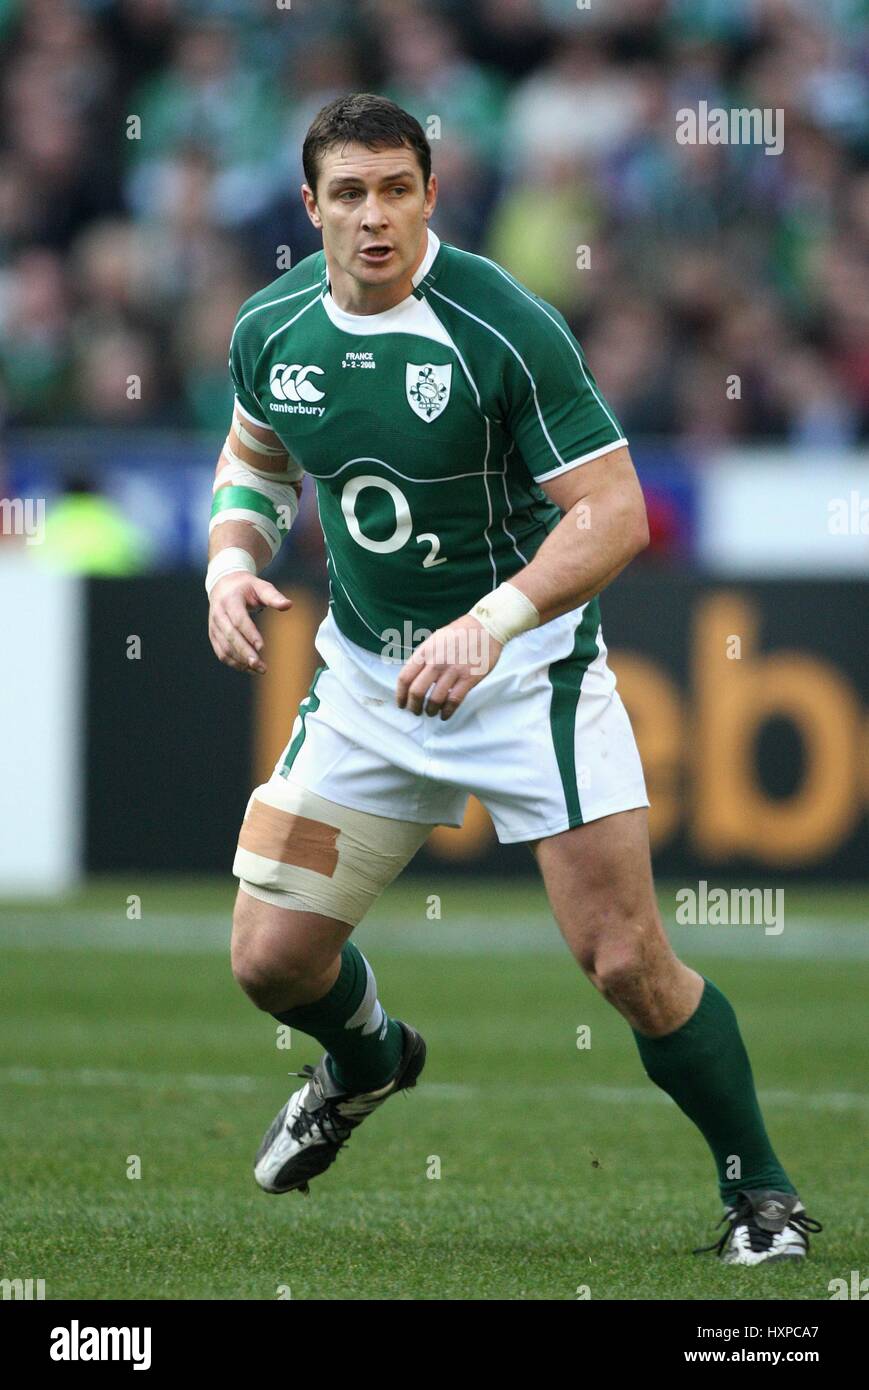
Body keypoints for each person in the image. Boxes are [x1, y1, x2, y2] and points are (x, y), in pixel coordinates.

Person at [205, 93, 820, 1266]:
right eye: (349, 193)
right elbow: (255, 460)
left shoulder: (499, 325)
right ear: (310, 208)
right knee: (268, 961)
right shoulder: (270, 326)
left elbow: (615, 511)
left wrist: (492, 623)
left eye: (396, 189)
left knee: (627, 963)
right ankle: (371, 1064)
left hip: (524, 674)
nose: (374, 216)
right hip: (367, 686)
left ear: (430, 194)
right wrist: (229, 563)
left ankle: (762, 1196)